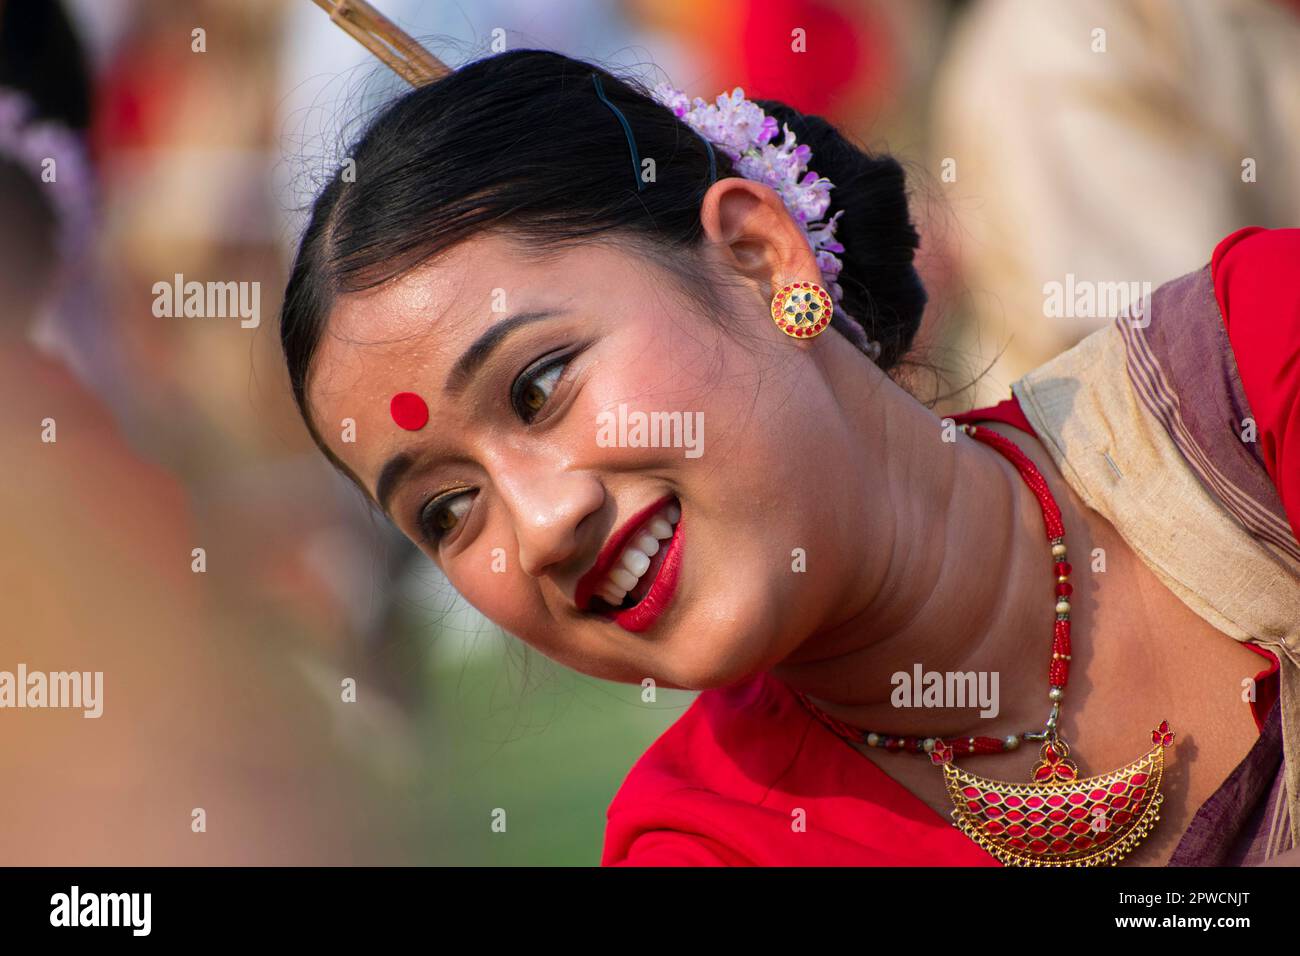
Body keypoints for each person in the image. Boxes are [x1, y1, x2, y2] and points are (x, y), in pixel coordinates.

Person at [278, 49, 1299, 865]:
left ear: (760, 259)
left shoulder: (1252, 375)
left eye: (539, 386)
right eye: (448, 510)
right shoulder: (709, 843)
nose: (541, 524)